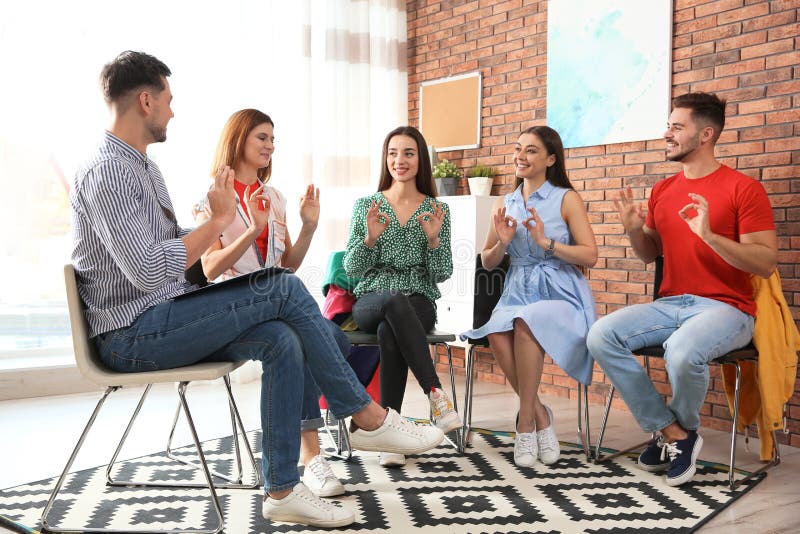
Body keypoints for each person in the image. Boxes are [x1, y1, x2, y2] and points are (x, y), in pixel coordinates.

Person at [71, 51, 444, 529]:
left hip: (163, 316)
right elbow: (149, 272)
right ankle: (365, 416)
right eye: (168, 100)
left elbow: (175, 263)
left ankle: (284, 490)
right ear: (145, 101)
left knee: (283, 338)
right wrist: (222, 222)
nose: (172, 111)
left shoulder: (142, 168)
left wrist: (230, 227)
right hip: (132, 335)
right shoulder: (108, 171)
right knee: (285, 289)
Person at [586, 92, 777, 487]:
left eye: (677, 127)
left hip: (728, 308)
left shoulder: (744, 189)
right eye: (668, 125)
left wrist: (709, 236)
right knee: (601, 335)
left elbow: (765, 261)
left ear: (706, 134)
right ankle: (674, 433)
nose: (667, 134)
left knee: (684, 350)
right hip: (672, 302)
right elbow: (648, 254)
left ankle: (679, 432)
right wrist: (633, 229)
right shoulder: (663, 191)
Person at [194, 108, 346, 498]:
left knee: (330, 335)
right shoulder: (212, 198)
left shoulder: (274, 198)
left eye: (273, 139)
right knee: (307, 338)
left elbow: (288, 266)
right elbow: (208, 268)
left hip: (276, 305)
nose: (270, 145)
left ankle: (311, 454)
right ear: (239, 138)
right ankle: (313, 456)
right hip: (233, 309)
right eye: (262, 137)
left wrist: (309, 226)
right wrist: (253, 230)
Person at [461, 126, 598, 468]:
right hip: (517, 288)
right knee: (495, 330)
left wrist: (546, 243)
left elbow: (590, 255)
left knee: (526, 320)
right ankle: (539, 413)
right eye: (518, 148)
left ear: (551, 159)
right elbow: (487, 261)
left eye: (532, 150)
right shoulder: (504, 203)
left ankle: (524, 425)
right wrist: (503, 242)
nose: (521, 156)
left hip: (562, 293)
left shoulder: (566, 199)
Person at [343, 126, 461, 467]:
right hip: (372, 298)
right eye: (393, 153)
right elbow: (351, 267)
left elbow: (441, 273)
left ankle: (388, 430)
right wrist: (369, 239)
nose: (399, 160)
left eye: (408, 153)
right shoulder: (367, 205)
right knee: (392, 301)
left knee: (388, 330)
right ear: (386, 158)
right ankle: (435, 394)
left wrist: (434, 240)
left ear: (420, 159)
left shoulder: (437, 210)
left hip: (419, 300)